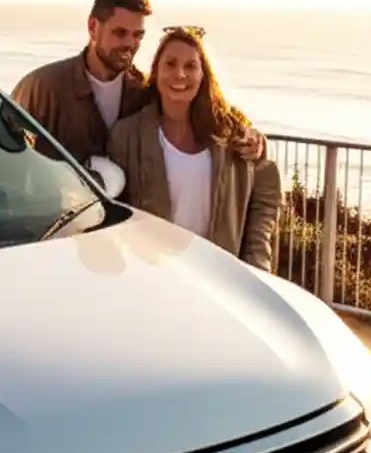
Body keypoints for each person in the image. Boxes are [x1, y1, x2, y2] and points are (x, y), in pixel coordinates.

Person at [10, 0, 265, 165]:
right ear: (93, 27)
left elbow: (208, 107)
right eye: (120, 33)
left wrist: (253, 136)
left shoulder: (144, 90)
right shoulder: (43, 87)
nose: (130, 44)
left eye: (138, 35)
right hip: (57, 222)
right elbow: (2, 149)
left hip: (126, 224)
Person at [106, 25, 282, 271]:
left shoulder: (231, 135)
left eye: (190, 66)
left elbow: (266, 192)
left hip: (217, 276)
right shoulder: (127, 136)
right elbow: (110, 212)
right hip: (153, 275)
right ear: (156, 70)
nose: (180, 74)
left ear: (203, 75)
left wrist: (257, 261)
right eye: (170, 64)